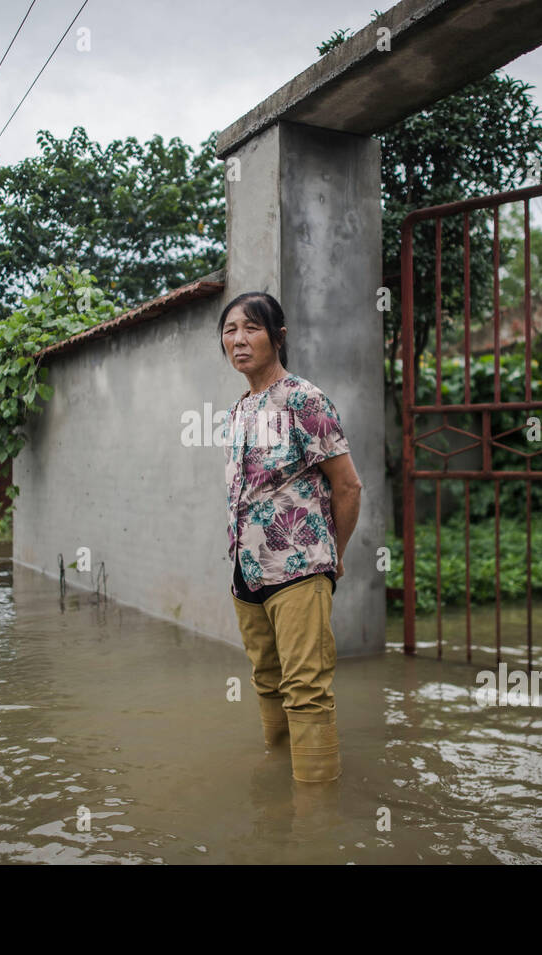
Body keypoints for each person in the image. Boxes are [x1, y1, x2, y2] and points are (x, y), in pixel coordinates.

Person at [218, 291, 363, 783]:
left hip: (299, 568)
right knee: (267, 681)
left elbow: (348, 485)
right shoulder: (239, 409)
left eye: (251, 328)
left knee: (306, 688)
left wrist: (332, 558)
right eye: (230, 329)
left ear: (278, 337)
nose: (238, 340)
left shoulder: (305, 399)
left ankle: (314, 816)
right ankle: (279, 784)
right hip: (247, 573)